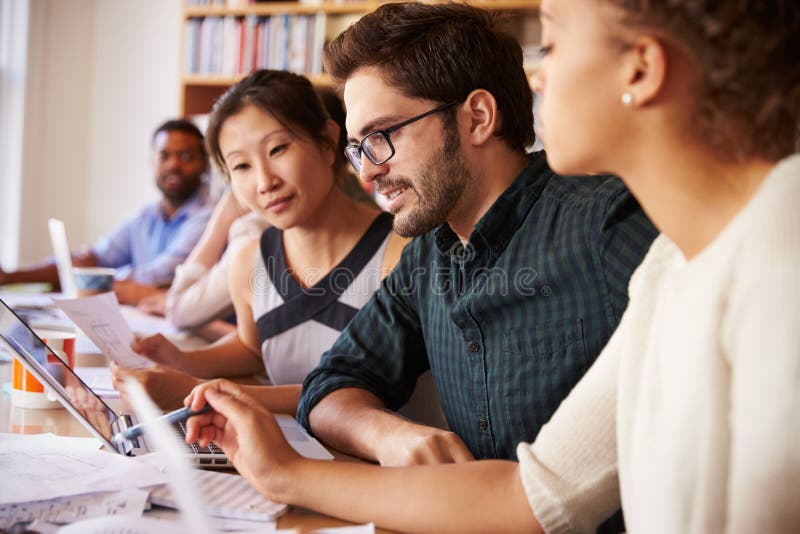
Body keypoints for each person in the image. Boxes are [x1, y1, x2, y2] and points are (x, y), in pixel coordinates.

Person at [180, 1, 800, 532]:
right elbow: (535, 493)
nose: (365, 170)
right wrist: (347, 450)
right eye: (357, 146)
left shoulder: (636, 234)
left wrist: (289, 474)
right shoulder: (666, 265)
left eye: (552, 44)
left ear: (477, 116)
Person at [112, 70, 408, 412]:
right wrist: (180, 360)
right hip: (273, 452)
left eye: (278, 149)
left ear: (328, 141)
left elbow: (365, 393)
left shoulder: (401, 254)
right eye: (241, 167)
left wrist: (202, 393)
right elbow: (255, 350)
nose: (265, 181)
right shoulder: (249, 259)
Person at [0, 119, 214, 305]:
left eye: (186, 157)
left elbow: (162, 274)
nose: (173, 165)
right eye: (164, 156)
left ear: (205, 164)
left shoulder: (209, 216)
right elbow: (96, 257)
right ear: (152, 162)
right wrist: (12, 276)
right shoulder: (144, 216)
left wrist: (96, 276)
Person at [136, 188, 268, 341]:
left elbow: (180, 310)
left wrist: (220, 222)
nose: (265, 182)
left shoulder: (252, 230)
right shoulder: (147, 212)